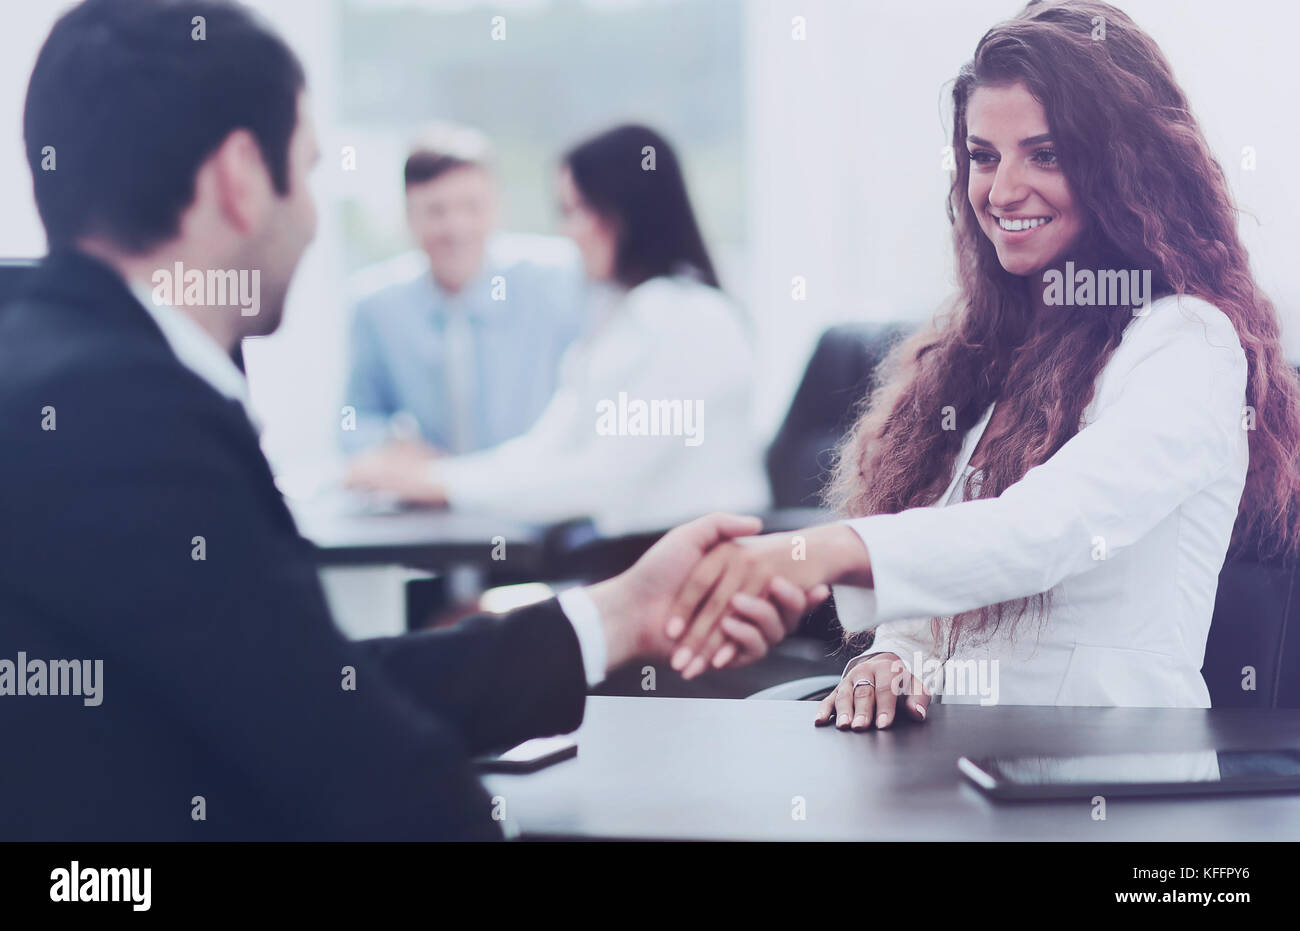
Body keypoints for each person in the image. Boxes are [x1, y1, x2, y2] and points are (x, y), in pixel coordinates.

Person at [0, 0, 821, 840]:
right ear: (241, 179)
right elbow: (355, 758)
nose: (316, 216)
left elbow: (313, 689)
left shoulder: (67, 370)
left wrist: (617, 613)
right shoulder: (129, 415)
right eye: (310, 170)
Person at [659, 0, 1300, 711]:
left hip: (1108, 787)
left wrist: (817, 550)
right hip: (956, 767)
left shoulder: (1189, 342)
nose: (1001, 190)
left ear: (1126, 169)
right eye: (983, 157)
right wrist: (890, 658)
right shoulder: (994, 351)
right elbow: (938, 604)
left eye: (1046, 154)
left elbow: (1045, 529)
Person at [345, 124, 771, 535]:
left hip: (693, 579)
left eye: (576, 211)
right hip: (628, 565)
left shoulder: (693, 322)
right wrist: (428, 477)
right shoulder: (621, 324)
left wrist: (443, 484)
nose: (568, 232)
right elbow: (543, 450)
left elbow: (604, 476)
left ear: (624, 211)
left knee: (470, 614)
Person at [342, 124, 587, 458]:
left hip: (539, 494)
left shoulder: (558, 280)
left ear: (498, 207)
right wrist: (391, 446)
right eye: (436, 211)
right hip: (429, 498)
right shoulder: (376, 305)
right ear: (409, 217)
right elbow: (354, 421)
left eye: (472, 207)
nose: (456, 228)